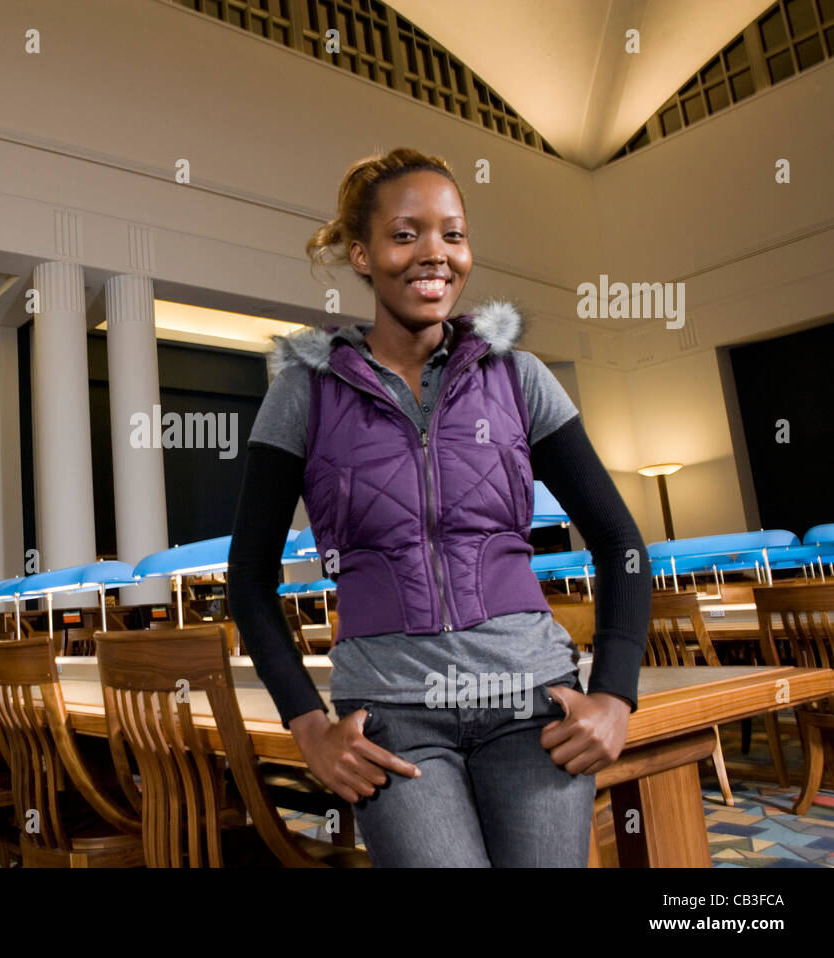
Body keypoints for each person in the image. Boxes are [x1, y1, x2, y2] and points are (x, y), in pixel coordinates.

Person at [227, 147, 651, 867]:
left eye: (452, 234)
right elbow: (248, 578)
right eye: (405, 234)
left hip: (532, 705)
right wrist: (307, 726)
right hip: (391, 717)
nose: (435, 254)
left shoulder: (519, 377)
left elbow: (620, 541)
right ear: (361, 255)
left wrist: (614, 692)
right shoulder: (307, 386)